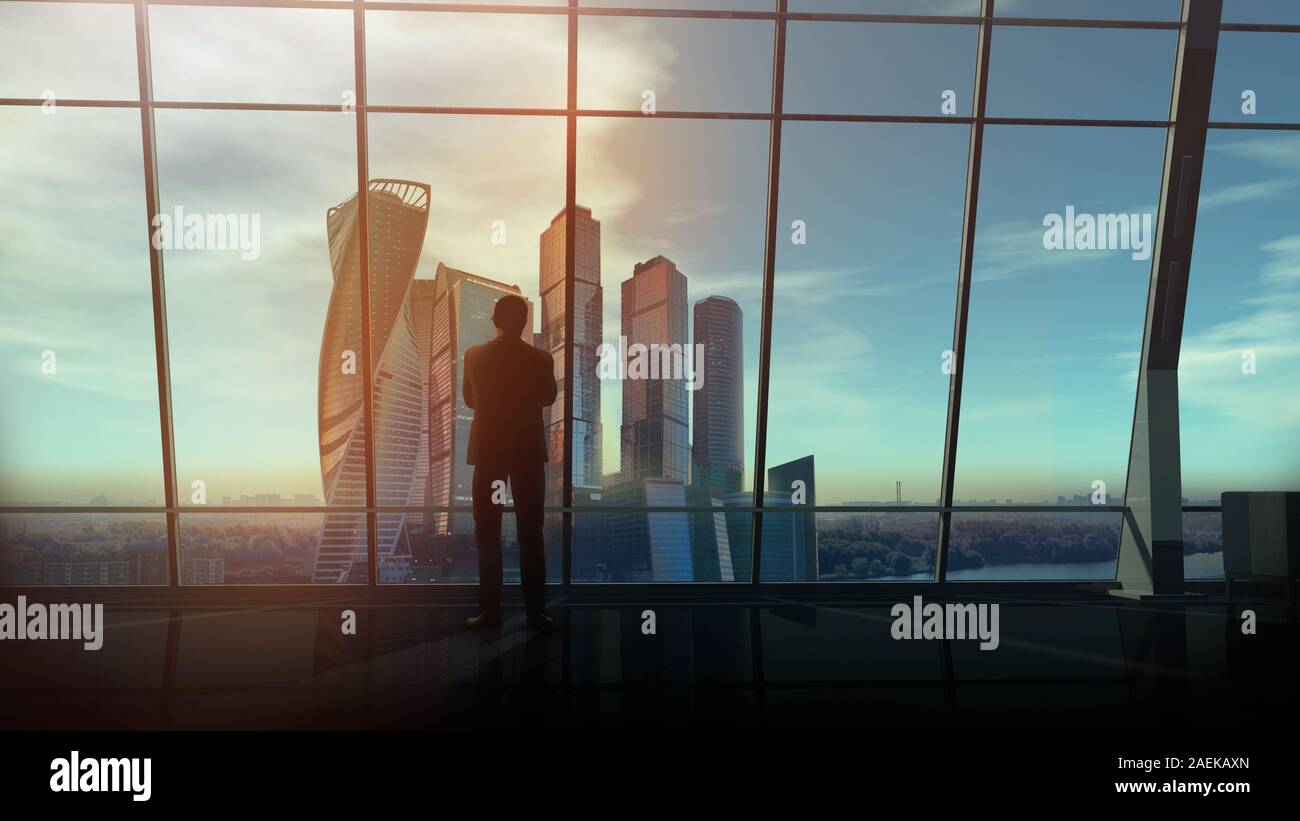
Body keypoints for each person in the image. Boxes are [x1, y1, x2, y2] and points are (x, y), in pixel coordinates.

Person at [461, 294, 558, 630]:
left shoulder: (474, 356)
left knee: (487, 533)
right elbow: (548, 397)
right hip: (527, 453)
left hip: (489, 453)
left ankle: (491, 613)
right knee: (531, 532)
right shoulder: (541, 359)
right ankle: (536, 614)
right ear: (524, 322)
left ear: (495, 320)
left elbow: (470, 400)